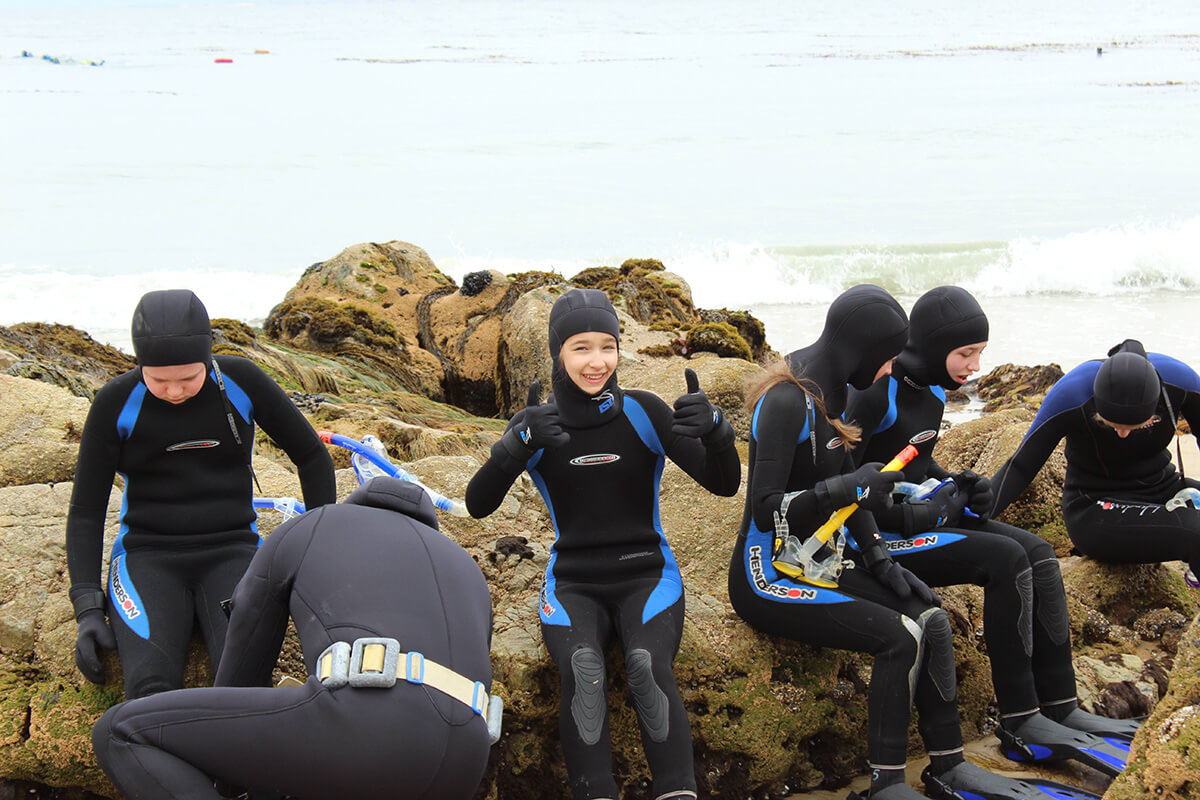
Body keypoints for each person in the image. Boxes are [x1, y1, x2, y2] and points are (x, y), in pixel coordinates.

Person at [731, 285, 1089, 800]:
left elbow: (849, 501)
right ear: (863, 352)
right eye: (888, 358)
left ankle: (946, 767)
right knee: (901, 636)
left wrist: (879, 557)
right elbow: (765, 509)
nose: (891, 367)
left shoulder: (830, 393)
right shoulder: (786, 399)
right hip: (766, 571)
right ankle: (886, 784)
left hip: (821, 558)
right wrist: (850, 488)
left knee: (930, 614)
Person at [845, 287, 1133, 786]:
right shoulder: (876, 391)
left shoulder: (934, 389)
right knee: (1003, 559)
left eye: (980, 352)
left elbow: (916, 459)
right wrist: (915, 515)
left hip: (911, 518)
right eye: (966, 353)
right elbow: (848, 487)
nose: (976, 366)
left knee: (1039, 552)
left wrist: (959, 483)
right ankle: (1020, 720)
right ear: (934, 347)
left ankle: (1060, 705)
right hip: (865, 542)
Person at [465, 288, 741, 800]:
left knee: (645, 664)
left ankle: (677, 792)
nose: (597, 362)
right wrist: (514, 447)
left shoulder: (644, 413)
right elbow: (477, 504)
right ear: (557, 353)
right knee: (583, 669)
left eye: (607, 346)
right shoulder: (537, 425)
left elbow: (723, 484)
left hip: (648, 575)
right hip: (573, 581)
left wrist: (718, 431)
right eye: (581, 348)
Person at [92, 477, 495, 800]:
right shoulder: (470, 572)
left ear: (355, 504)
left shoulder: (317, 523)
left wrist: (230, 780)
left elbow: (245, 659)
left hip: (365, 733)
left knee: (121, 732)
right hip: (465, 764)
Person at [67, 289, 336, 699]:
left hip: (233, 550)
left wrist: (320, 549)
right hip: (146, 555)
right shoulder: (115, 402)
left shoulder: (242, 381)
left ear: (209, 358)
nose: (174, 392)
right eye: (158, 380)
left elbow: (313, 457)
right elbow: (87, 510)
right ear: (139, 364)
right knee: (149, 690)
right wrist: (87, 607)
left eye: (188, 379)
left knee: (244, 686)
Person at [990, 338, 1200, 587]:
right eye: (1111, 425)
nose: (1122, 434)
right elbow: (1021, 467)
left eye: (1134, 427)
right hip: (1094, 508)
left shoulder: (1179, 381)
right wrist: (971, 516)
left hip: (1164, 489)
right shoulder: (1072, 393)